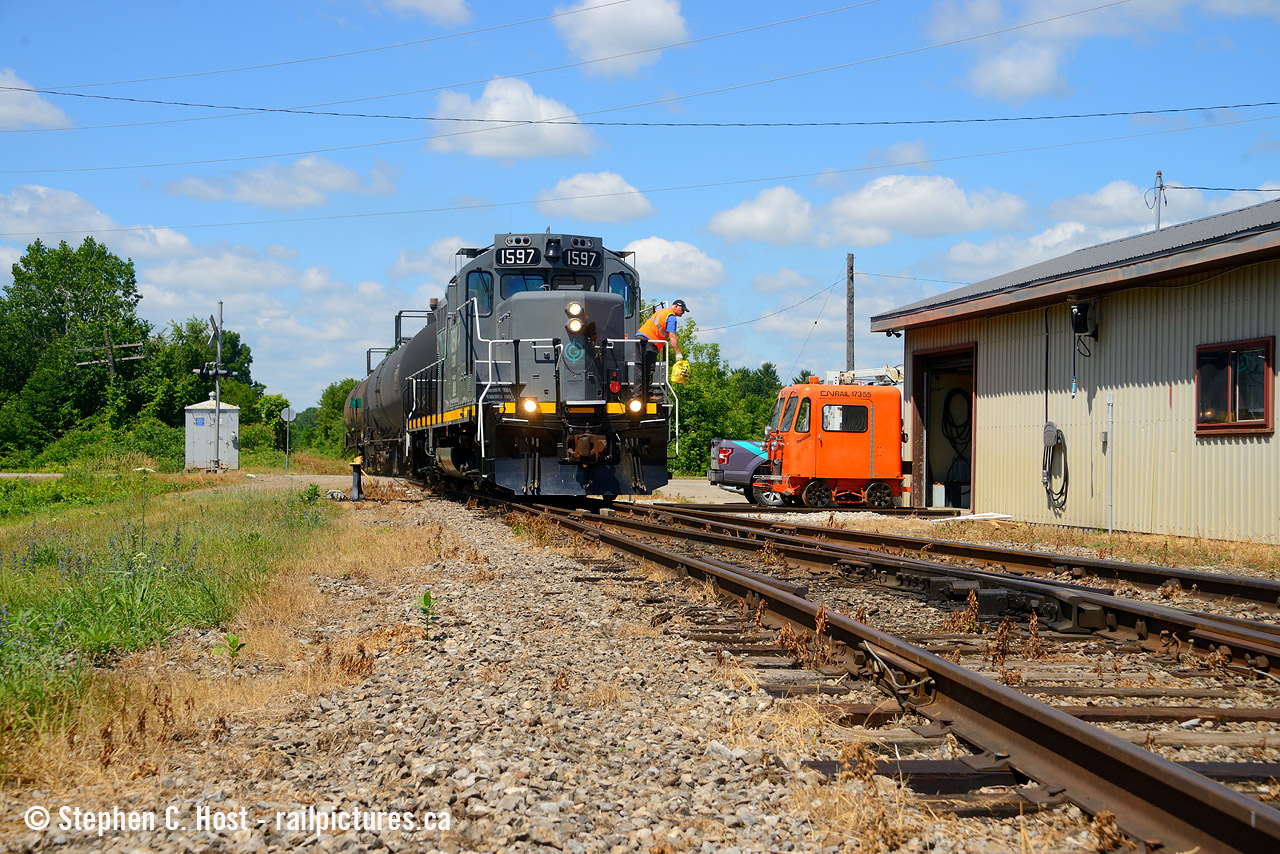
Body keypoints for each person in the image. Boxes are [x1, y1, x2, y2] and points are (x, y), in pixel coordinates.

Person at [635, 299, 688, 389]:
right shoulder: (671, 317)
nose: (682, 313)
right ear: (675, 306)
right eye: (682, 310)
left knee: (639, 365)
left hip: (640, 337)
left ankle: (637, 394)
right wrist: (678, 353)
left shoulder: (661, 311)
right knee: (649, 368)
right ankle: (647, 395)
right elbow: (672, 336)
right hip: (651, 341)